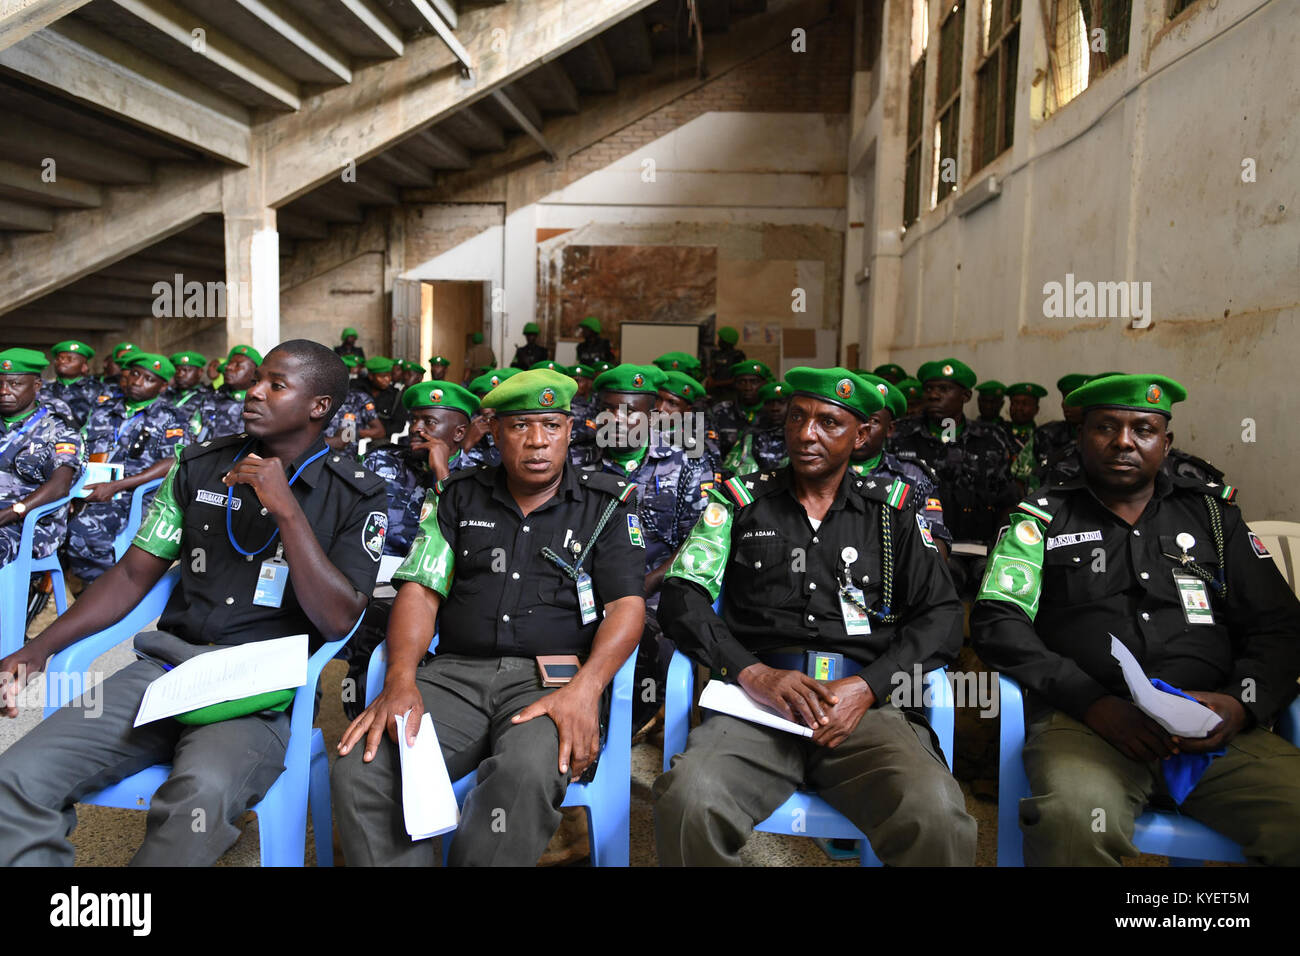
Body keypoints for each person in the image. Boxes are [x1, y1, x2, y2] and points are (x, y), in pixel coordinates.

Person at [0, 341, 385, 866]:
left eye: (276, 384)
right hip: (162, 669)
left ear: (318, 406)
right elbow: (135, 573)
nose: (253, 391)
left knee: (197, 798)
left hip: (258, 689)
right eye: (258, 380)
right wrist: (38, 649)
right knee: (16, 777)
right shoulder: (200, 464)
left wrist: (288, 512)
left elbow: (340, 618)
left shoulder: (358, 494)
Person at [972, 374, 1300, 866]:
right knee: (1072, 821)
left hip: (1214, 726)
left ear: (1164, 443)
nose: (1124, 442)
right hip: (1089, 724)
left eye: (1143, 430)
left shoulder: (1213, 517)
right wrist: (1090, 700)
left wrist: (1240, 704)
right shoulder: (1042, 517)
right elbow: (998, 620)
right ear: (1081, 437)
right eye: (1106, 427)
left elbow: (1281, 625)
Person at [652, 367, 976, 866]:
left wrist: (868, 686)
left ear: (862, 434)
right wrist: (752, 673)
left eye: (828, 422)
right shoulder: (741, 503)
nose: (806, 434)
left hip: (863, 709)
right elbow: (682, 596)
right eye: (798, 418)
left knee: (936, 812)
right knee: (690, 798)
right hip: (755, 706)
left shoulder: (893, 515)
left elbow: (941, 618)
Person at [332, 369, 646, 866]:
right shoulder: (456, 495)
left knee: (523, 773)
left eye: (551, 425)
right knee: (364, 766)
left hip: (553, 682)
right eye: (520, 426)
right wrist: (399, 680)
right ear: (493, 431)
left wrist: (587, 690)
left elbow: (627, 607)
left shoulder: (607, 504)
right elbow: (420, 590)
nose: (538, 442)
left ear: (570, 429)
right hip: (455, 675)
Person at [576, 364, 713, 729]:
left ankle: (626, 726)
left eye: (630, 411)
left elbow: (697, 542)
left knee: (644, 649)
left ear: (652, 416)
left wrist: (643, 585)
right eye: (609, 409)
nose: (618, 419)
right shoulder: (576, 458)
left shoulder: (688, 462)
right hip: (582, 588)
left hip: (653, 591)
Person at [346, 381, 480, 719]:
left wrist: (442, 475)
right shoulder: (381, 461)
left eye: (429, 422)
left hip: (445, 591)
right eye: (415, 420)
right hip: (376, 584)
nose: (416, 429)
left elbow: (468, 542)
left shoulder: (481, 476)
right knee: (362, 669)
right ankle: (362, 711)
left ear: (460, 432)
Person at [888, 358, 1019, 595]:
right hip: (919, 549)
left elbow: (1007, 500)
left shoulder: (991, 439)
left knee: (1002, 587)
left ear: (966, 396)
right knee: (938, 585)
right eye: (929, 389)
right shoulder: (901, 435)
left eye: (944, 389)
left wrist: (1000, 548)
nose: (934, 395)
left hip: (980, 548)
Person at [65, 353, 192, 584]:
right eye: (134, 374)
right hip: (89, 486)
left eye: (148, 379)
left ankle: (103, 592)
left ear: (162, 387)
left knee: (84, 530)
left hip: (133, 494)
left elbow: (174, 460)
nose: (137, 381)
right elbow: (80, 445)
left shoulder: (171, 417)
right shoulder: (105, 409)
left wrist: (116, 485)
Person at [851, 372, 951, 559]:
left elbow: (935, 536)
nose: (862, 429)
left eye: (873, 421)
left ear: (890, 430)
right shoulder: (820, 469)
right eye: (857, 418)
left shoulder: (915, 476)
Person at [0, 349, 83, 569]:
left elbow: (59, 486)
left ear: (36, 386)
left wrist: (11, 512)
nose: (3, 391)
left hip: (28, 522)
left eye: (14, 384)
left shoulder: (59, 429)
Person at [722, 380, 789, 474]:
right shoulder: (752, 436)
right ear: (762, 407)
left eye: (781, 402)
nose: (775, 408)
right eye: (769, 403)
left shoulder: (800, 436)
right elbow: (731, 471)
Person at [325, 356, 385, 458]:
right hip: (313, 455)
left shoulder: (359, 399)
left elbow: (379, 431)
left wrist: (354, 432)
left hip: (343, 458)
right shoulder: (313, 399)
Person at [709, 359, 771, 457]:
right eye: (742, 382)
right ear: (734, 385)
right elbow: (710, 449)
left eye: (754, 382)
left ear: (764, 384)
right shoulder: (720, 412)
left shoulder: (774, 412)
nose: (748, 387)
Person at [203, 345, 260, 441]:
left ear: (255, 373)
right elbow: (193, 432)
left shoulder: (261, 403)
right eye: (229, 363)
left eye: (238, 365)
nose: (228, 367)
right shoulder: (211, 399)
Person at [44, 341, 101, 427]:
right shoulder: (43, 390)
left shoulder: (99, 389)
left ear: (84, 366)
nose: (62, 361)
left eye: (69, 359)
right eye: (59, 358)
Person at [165, 351, 213, 436]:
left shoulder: (209, 397)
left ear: (200, 372)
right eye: (177, 370)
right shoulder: (165, 395)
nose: (180, 374)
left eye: (186, 370)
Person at [365, 357, 407, 438]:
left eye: (389, 375)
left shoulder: (396, 396)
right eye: (382, 376)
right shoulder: (361, 393)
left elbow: (399, 425)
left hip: (383, 438)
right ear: (371, 376)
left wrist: (377, 432)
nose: (387, 379)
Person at [706, 326, 746, 395]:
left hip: (730, 393)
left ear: (726, 341)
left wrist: (716, 384)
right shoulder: (716, 354)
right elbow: (711, 370)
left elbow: (739, 378)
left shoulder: (737, 356)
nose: (719, 341)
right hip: (714, 393)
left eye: (720, 339)